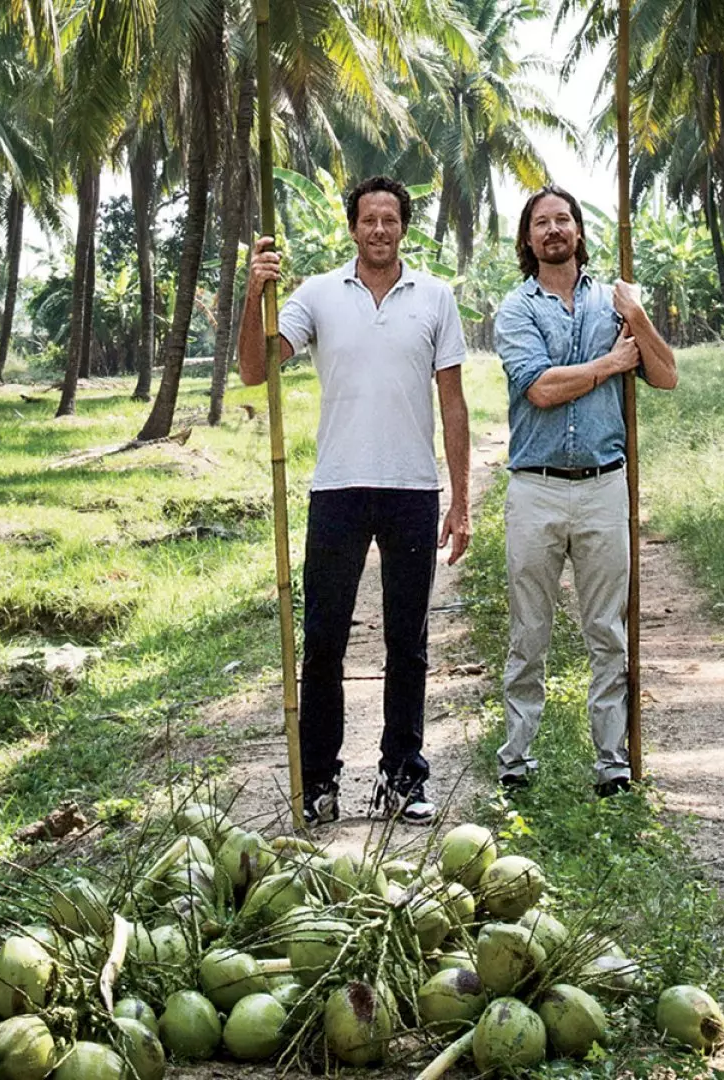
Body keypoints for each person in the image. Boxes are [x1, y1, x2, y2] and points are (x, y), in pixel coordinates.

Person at [238, 175, 472, 827]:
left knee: (409, 642)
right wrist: (255, 289)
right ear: (352, 228)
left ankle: (402, 778)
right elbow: (255, 371)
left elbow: (453, 403)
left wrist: (461, 499)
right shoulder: (315, 294)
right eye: (368, 219)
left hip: (413, 491)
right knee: (324, 641)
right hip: (337, 490)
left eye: (390, 219)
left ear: (404, 227)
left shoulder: (434, 297)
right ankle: (318, 781)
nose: (379, 230)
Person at [493, 185, 678, 797]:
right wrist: (609, 365)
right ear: (528, 239)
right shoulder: (515, 310)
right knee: (530, 630)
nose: (553, 230)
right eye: (541, 223)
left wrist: (639, 318)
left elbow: (667, 376)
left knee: (607, 629)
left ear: (578, 231)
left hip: (604, 485)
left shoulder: (615, 303)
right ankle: (516, 760)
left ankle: (612, 763)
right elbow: (540, 389)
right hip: (536, 487)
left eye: (563, 220)